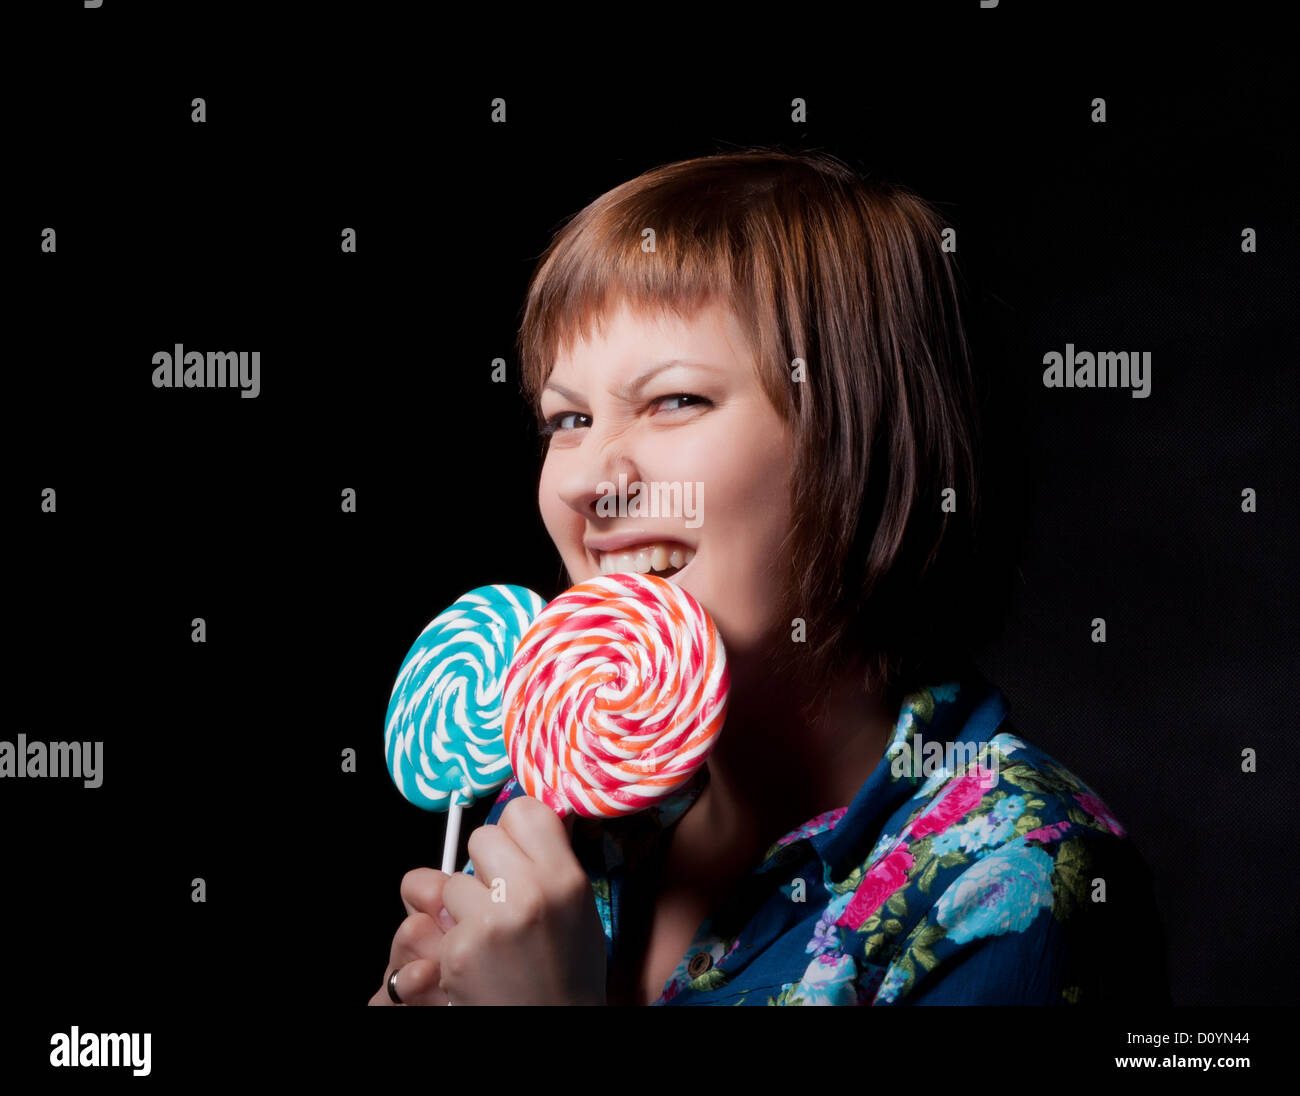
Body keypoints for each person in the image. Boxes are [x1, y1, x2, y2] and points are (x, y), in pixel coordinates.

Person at [369, 149, 1170, 1006]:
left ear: (865, 445)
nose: (582, 481)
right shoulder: (548, 807)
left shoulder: (1025, 883)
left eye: (676, 400)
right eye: (567, 418)